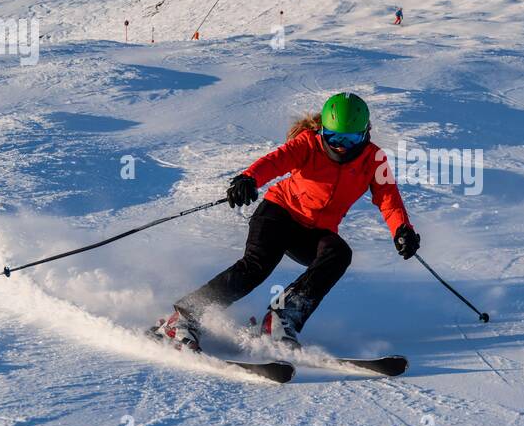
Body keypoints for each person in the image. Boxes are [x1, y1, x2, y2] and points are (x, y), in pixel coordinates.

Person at [154, 92, 420, 350]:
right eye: (333, 136)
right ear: (322, 130)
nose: (340, 145)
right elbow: (274, 162)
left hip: (315, 231)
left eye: (350, 140)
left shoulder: (374, 160)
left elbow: (389, 199)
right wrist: (249, 179)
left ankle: (281, 319)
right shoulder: (308, 143)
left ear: (365, 133)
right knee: (256, 266)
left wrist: (402, 230)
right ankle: (185, 317)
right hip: (278, 213)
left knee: (338, 254)